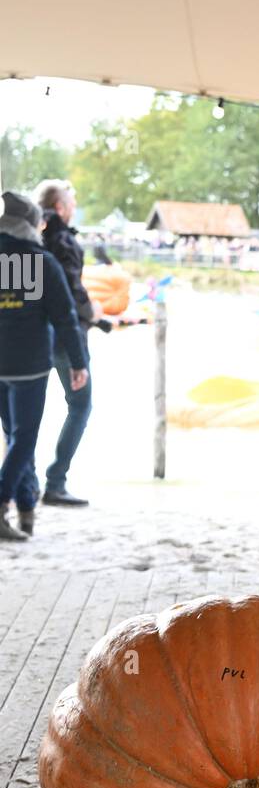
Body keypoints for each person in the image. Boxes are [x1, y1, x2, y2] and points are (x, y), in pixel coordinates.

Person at [0, 192, 88, 540]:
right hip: (30, 364)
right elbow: (64, 316)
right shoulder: (40, 261)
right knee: (25, 437)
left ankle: (25, 508)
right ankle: (4, 499)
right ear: (30, 224)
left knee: (13, 436)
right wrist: (78, 363)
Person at [35, 179, 100, 506]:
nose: (74, 209)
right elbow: (72, 292)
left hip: (33, 335)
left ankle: (26, 481)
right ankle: (56, 480)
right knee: (80, 404)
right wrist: (94, 311)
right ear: (60, 207)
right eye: (72, 204)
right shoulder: (63, 241)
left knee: (27, 409)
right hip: (67, 335)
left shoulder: (30, 241)